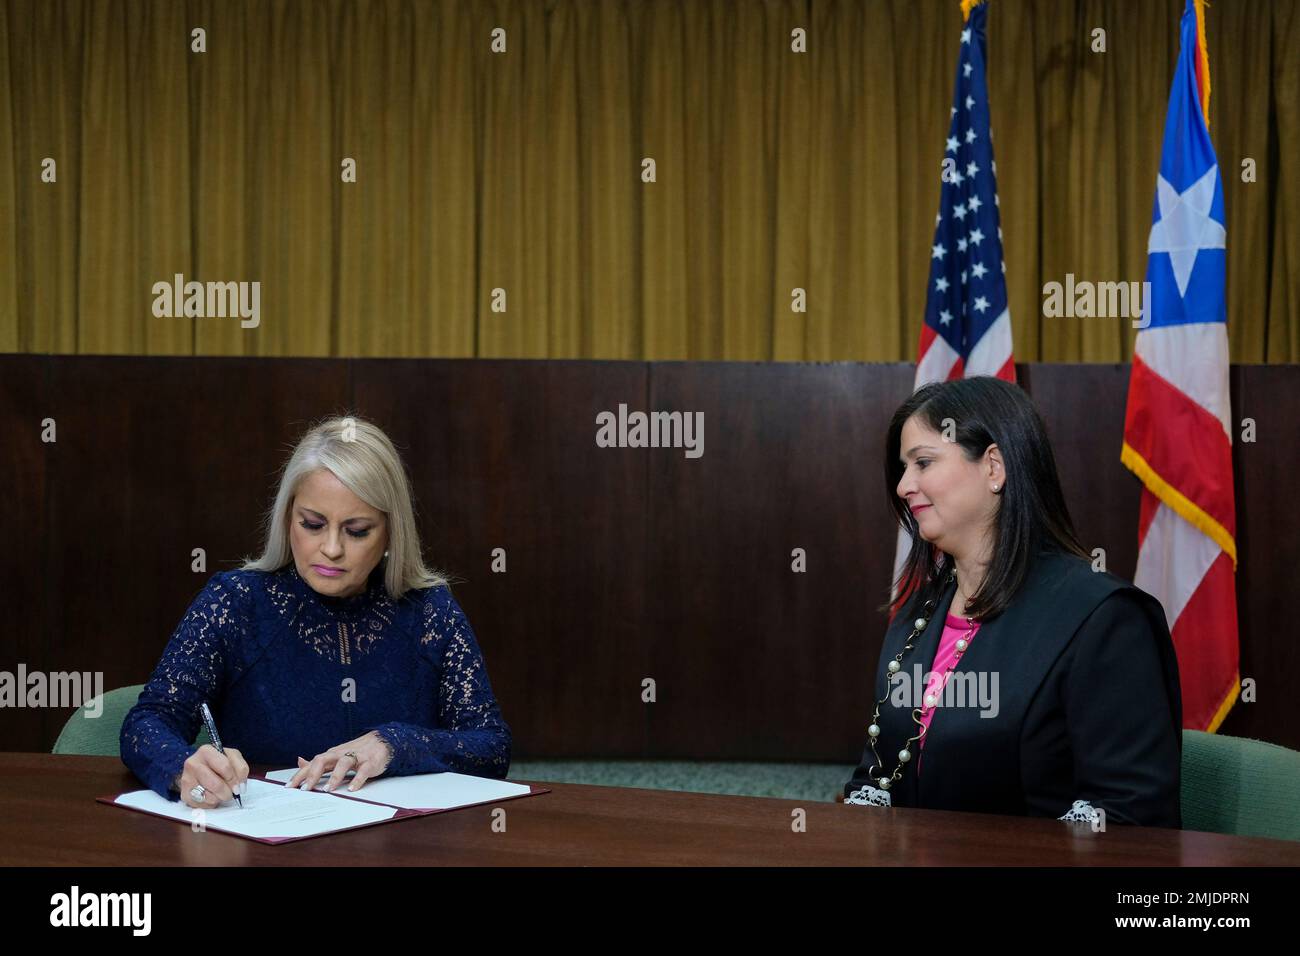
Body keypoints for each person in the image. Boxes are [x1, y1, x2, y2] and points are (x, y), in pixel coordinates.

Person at [121, 414, 511, 807]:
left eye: (357, 530)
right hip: (267, 841)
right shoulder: (235, 602)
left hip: (399, 846)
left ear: (392, 531)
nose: (332, 549)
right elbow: (148, 723)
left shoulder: (429, 610)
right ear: (288, 517)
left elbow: (491, 746)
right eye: (312, 524)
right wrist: (183, 765)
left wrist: (394, 744)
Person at [844, 377, 1182, 827]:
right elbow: (876, 776)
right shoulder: (917, 613)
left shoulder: (1105, 618)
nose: (905, 485)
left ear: (994, 467)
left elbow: (1127, 815)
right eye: (903, 468)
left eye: (923, 462)